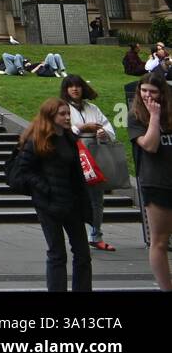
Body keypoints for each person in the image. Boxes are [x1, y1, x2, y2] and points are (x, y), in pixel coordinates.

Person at [13, 97, 93, 292]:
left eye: (68, 113)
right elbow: (24, 170)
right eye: (62, 114)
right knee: (57, 254)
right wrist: (44, 188)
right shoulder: (36, 140)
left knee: (83, 253)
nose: (67, 117)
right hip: (48, 204)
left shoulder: (69, 138)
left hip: (71, 202)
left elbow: (75, 172)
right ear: (50, 116)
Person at [59, 76, 116, 253]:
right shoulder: (63, 109)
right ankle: (77, 237)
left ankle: (96, 235)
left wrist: (103, 133)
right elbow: (60, 132)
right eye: (70, 86)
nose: (75, 89)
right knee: (75, 198)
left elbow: (108, 128)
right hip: (74, 157)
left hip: (94, 156)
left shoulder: (93, 108)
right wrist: (82, 128)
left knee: (97, 200)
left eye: (78, 86)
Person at [129, 74, 172, 290]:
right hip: (156, 183)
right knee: (160, 240)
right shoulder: (136, 116)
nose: (148, 95)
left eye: (153, 92)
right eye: (144, 90)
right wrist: (154, 117)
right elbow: (150, 145)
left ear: (162, 93)